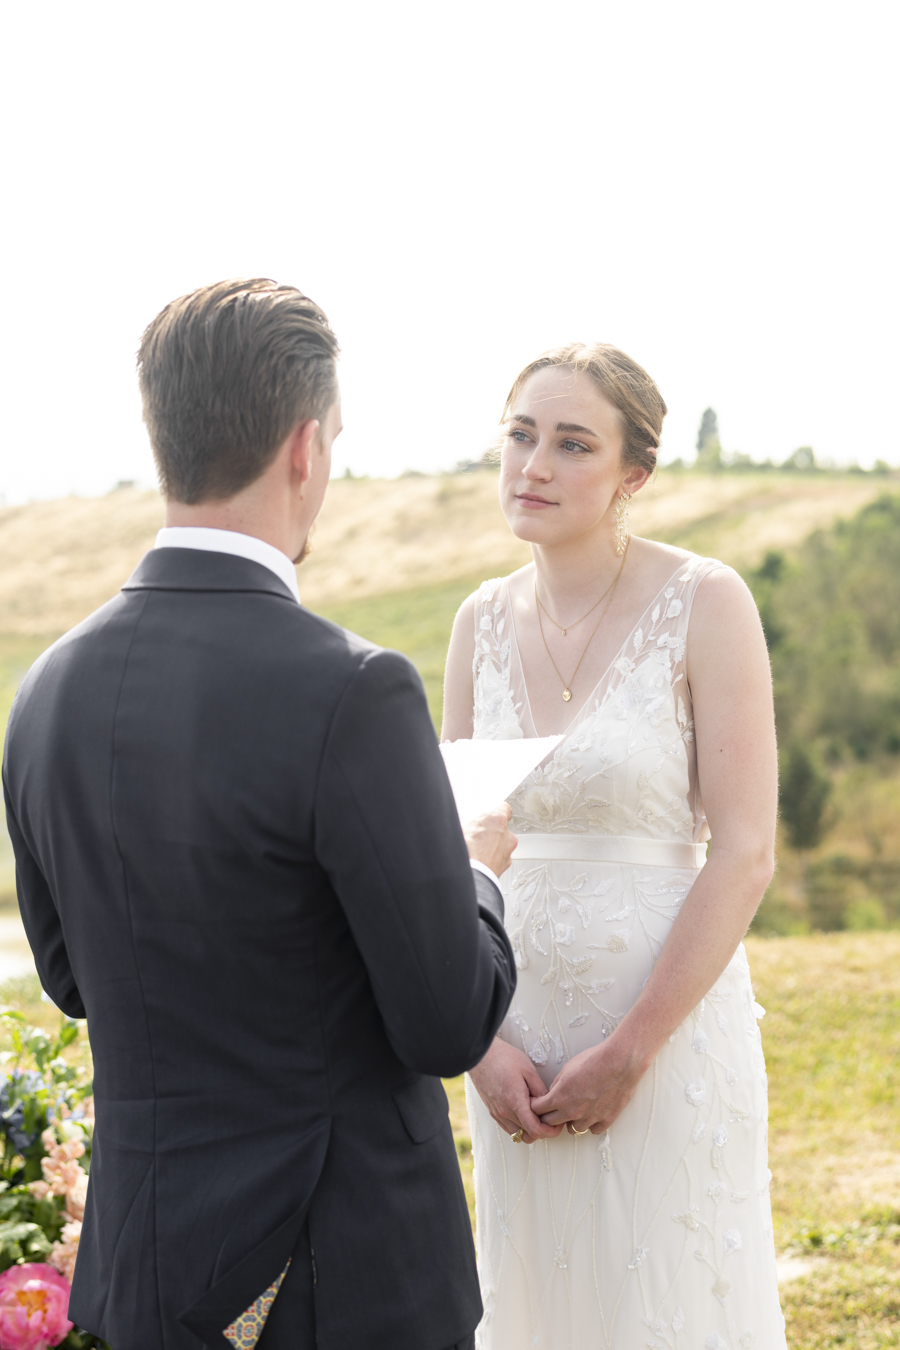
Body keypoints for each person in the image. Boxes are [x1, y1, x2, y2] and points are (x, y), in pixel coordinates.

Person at [2, 279, 518, 1350]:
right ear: (303, 447)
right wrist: (478, 869)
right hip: (340, 1280)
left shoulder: (45, 690)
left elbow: (70, 977)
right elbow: (445, 1020)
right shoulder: (354, 690)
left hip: (148, 1271)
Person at [442, 343, 786, 1349]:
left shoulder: (706, 602)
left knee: (666, 1302)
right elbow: (456, 845)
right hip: (517, 1045)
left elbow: (747, 851)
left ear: (633, 474)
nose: (533, 465)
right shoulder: (477, 622)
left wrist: (634, 1047)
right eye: (520, 435)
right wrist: (477, 1047)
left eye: (571, 444)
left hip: (664, 1032)